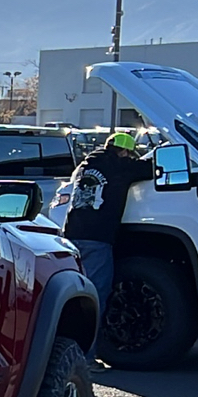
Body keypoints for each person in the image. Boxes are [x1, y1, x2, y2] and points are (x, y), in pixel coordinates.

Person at [62, 131, 155, 362]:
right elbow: (149, 169)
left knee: (73, 297)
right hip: (97, 239)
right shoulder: (121, 167)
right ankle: (86, 359)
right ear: (124, 152)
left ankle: (64, 352)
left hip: (72, 235)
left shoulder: (87, 164)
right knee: (95, 299)